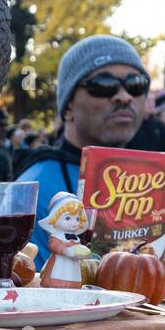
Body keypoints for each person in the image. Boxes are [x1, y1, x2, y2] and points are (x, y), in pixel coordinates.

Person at [15, 34, 150, 267]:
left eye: (136, 84)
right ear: (67, 107)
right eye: (103, 86)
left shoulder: (155, 179)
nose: (124, 96)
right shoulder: (30, 191)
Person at [126, 88, 165, 152]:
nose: (151, 103)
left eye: (153, 100)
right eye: (148, 100)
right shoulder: (130, 125)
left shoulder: (160, 126)